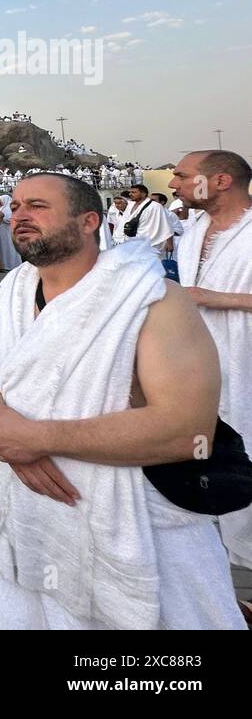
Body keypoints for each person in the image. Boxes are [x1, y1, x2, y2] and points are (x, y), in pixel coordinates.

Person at [0, 172, 244, 629]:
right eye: (15, 207)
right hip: (29, 516)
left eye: (37, 206)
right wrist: (7, 437)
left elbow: (188, 431)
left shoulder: (153, 300)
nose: (19, 216)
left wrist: (35, 438)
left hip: (130, 525)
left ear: (89, 220)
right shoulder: (15, 290)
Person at [170, 150, 252, 576]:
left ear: (220, 181)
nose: (173, 184)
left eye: (183, 176)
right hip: (198, 367)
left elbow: (202, 294)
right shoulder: (195, 226)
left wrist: (215, 298)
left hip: (246, 366)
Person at [113, 184, 170, 256]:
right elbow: (124, 222)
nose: (130, 194)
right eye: (130, 192)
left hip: (150, 243)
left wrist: (169, 242)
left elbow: (166, 225)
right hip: (130, 243)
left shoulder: (155, 206)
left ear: (143, 194)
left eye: (133, 192)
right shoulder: (130, 205)